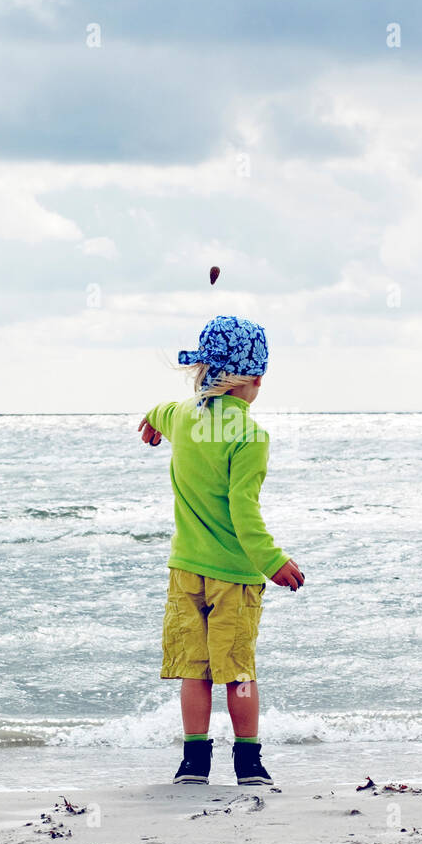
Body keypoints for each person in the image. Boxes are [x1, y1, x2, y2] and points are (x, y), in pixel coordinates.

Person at [139, 315, 304, 786]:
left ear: (204, 369)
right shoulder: (250, 435)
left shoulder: (182, 417)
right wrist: (272, 561)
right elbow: (242, 511)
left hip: (185, 570)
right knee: (238, 672)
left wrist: (150, 424)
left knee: (195, 670)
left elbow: (159, 411)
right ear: (255, 379)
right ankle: (248, 763)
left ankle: (194, 763)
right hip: (234, 573)